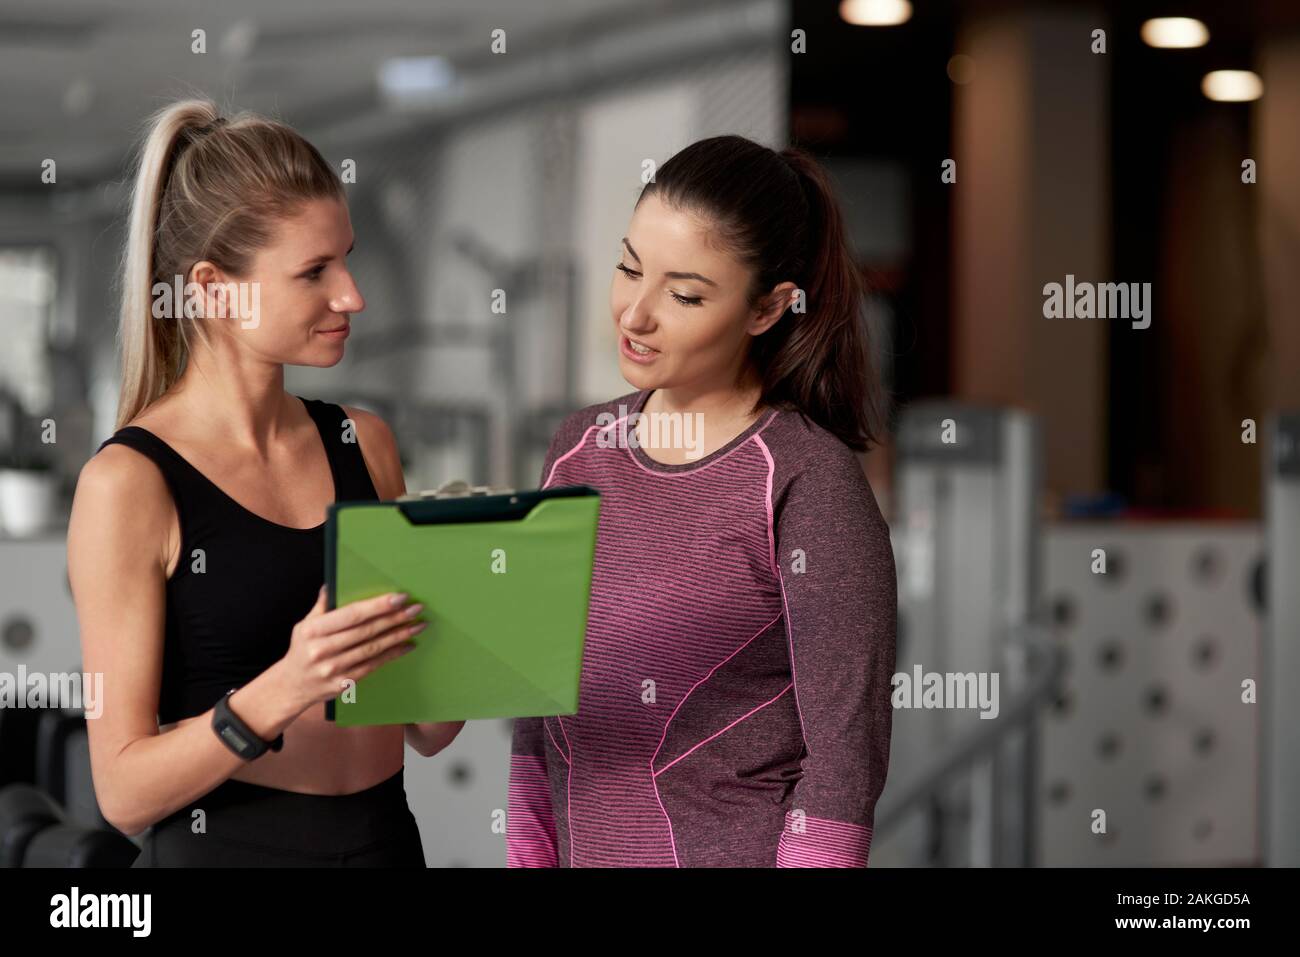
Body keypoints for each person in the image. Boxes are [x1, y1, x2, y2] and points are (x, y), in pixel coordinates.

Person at [67, 99, 463, 867]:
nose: (352, 295)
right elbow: (121, 792)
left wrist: (485, 630)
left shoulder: (363, 442)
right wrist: (288, 684)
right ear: (216, 290)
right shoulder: (128, 483)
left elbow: (428, 727)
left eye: (345, 258)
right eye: (315, 271)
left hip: (385, 843)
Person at [506, 135, 898, 868]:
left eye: (684, 294)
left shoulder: (807, 480)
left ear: (769, 308)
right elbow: (537, 711)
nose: (635, 313)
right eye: (629, 268)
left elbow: (846, 763)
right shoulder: (576, 448)